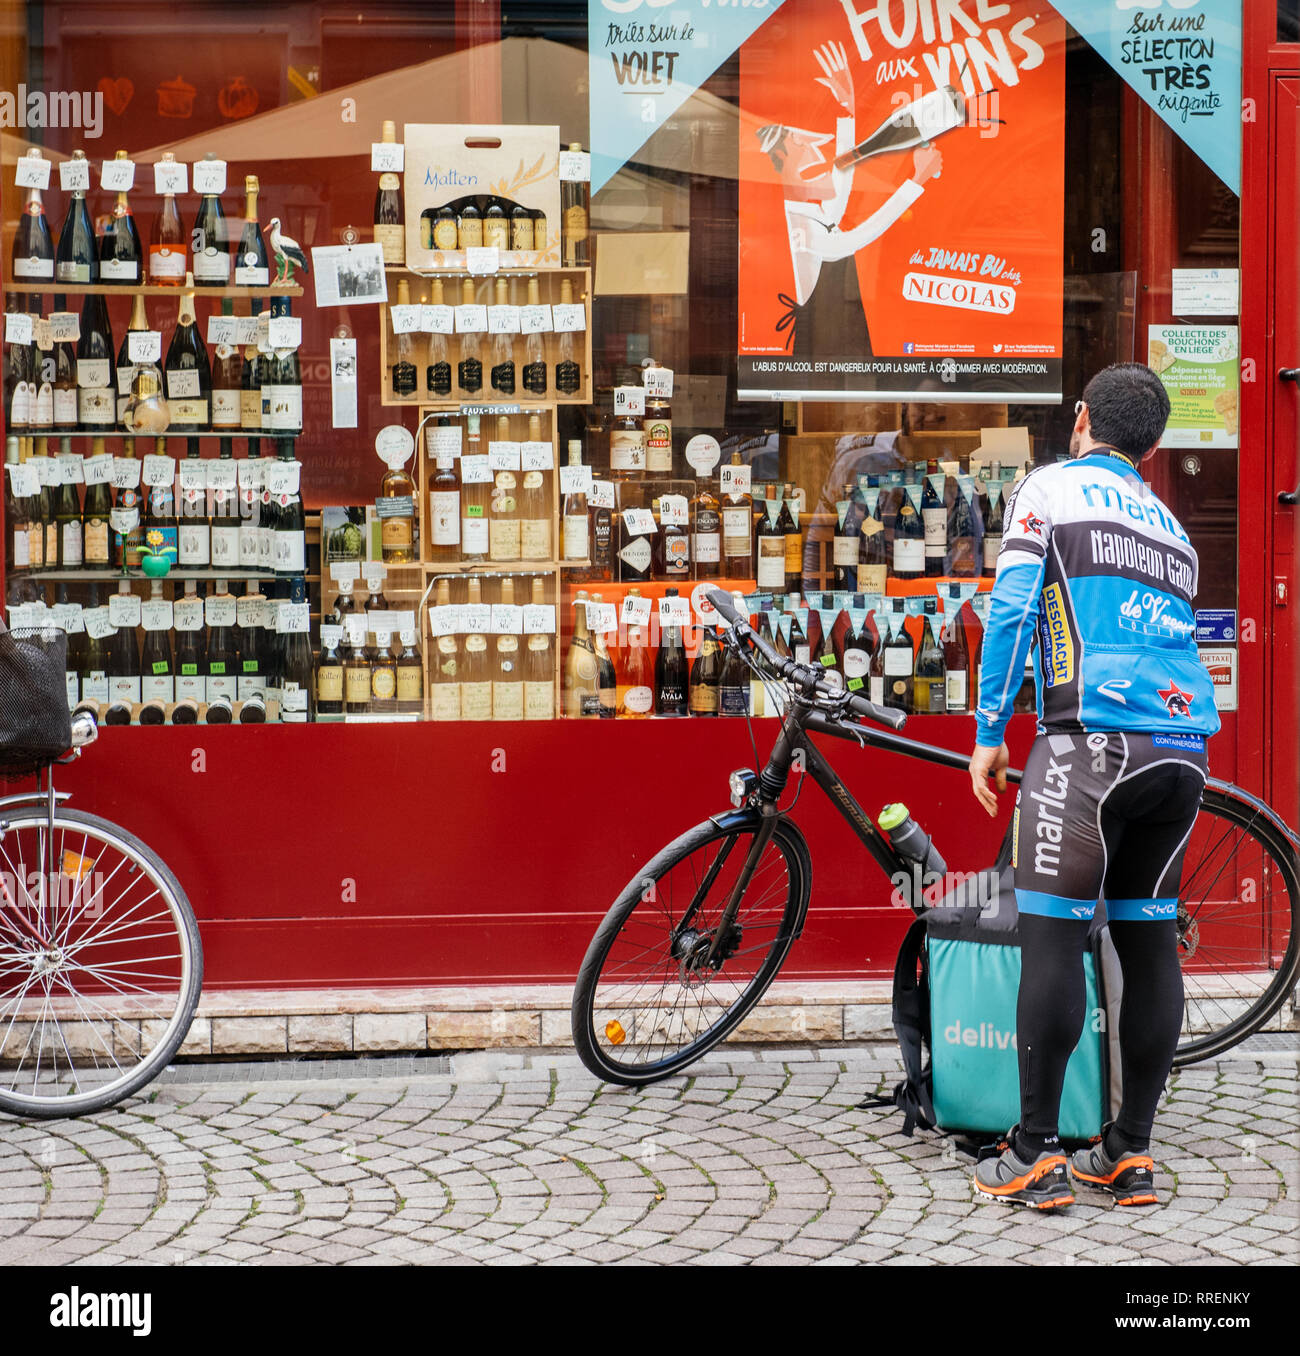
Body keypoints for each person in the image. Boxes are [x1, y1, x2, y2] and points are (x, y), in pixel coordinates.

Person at [967, 363, 1220, 1210]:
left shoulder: (1051, 487)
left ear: (1081, 420)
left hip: (1089, 749)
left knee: (1054, 940)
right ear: (1153, 449)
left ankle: (1032, 1153)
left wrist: (988, 732)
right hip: (1182, 751)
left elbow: (1010, 609)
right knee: (1147, 938)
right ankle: (1128, 1152)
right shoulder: (1174, 530)